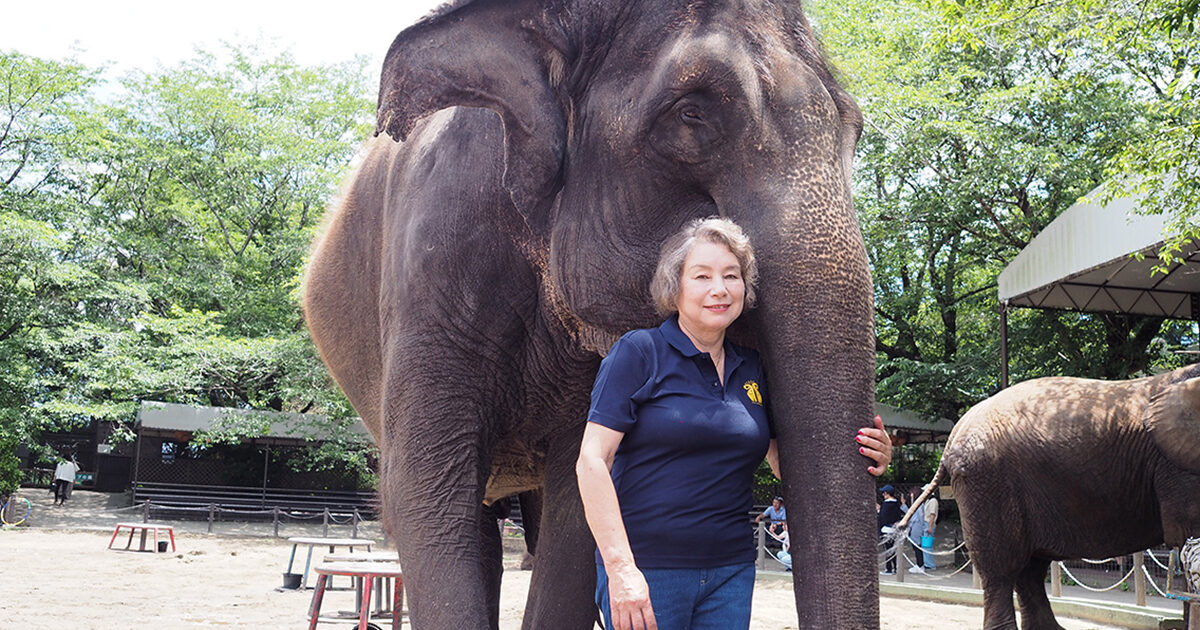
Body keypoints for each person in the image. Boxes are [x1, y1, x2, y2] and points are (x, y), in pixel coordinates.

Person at [576, 217, 893, 630]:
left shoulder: (753, 368)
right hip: (650, 571)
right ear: (676, 287)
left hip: (730, 572)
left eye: (731, 275)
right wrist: (620, 570)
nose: (719, 289)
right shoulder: (640, 353)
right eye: (702, 276)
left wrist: (869, 456)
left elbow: (786, 465)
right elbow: (591, 461)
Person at [877, 484, 903, 575]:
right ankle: (896, 567)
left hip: (886, 529)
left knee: (888, 550)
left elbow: (882, 517)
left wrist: (879, 511)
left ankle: (889, 569)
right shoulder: (896, 504)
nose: (883, 495)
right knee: (894, 550)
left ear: (887, 494)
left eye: (884, 493)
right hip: (894, 529)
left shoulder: (886, 504)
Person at [906, 487, 927, 574]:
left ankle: (920, 565)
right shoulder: (916, 504)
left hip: (917, 527)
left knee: (917, 546)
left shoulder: (919, 505)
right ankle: (919, 564)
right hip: (914, 526)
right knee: (915, 547)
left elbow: (919, 518)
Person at [923, 485, 939, 570]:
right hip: (926, 523)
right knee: (925, 545)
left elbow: (933, 515)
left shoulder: (933, 501)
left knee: (927, 545)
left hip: (929, 523)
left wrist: (930, 526)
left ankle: (930, 564)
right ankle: (927, 562)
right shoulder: (928, 501)